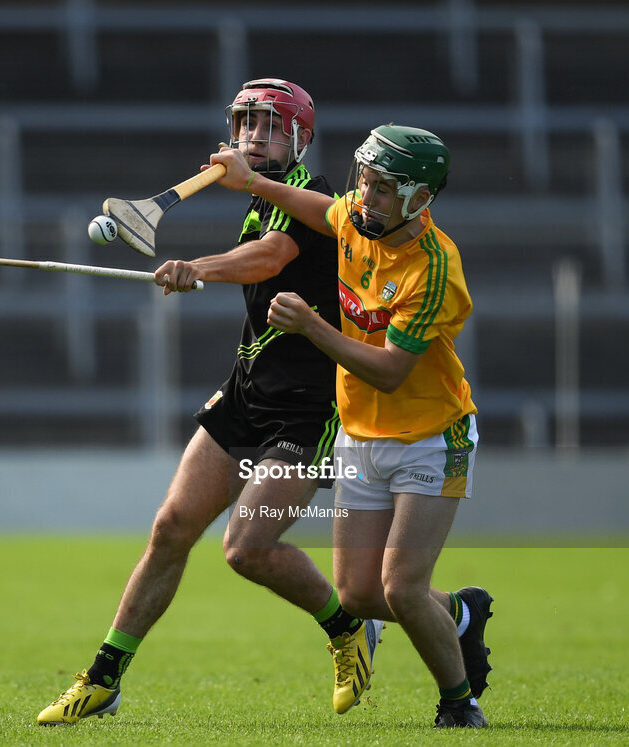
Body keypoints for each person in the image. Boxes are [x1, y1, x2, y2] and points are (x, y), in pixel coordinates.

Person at [37, 79, 383, 725]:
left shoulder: (319, 198)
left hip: (310, 405)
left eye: (270, 126)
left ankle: (347, 627)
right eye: (245, 123)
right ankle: (104, 680)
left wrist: (198, 266)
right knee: (170, 528)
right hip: (247, 390)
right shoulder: (257, 199)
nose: (254, 136)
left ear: (300, 139)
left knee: (247, 549)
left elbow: (268, 259)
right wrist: (201, 263)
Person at [209, 124, 494, 729]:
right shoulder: (356, 220)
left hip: (429, 438)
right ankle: (461, 616)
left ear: (420, 198)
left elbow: (392, 371)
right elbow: (321, 209)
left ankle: (458, 703)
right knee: (360, 597)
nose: (367, 196)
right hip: (359, 436)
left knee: (400, 588)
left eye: (385, 188)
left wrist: (313, 327)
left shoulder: (434, 268)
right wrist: (253, 181)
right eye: (364, 180)